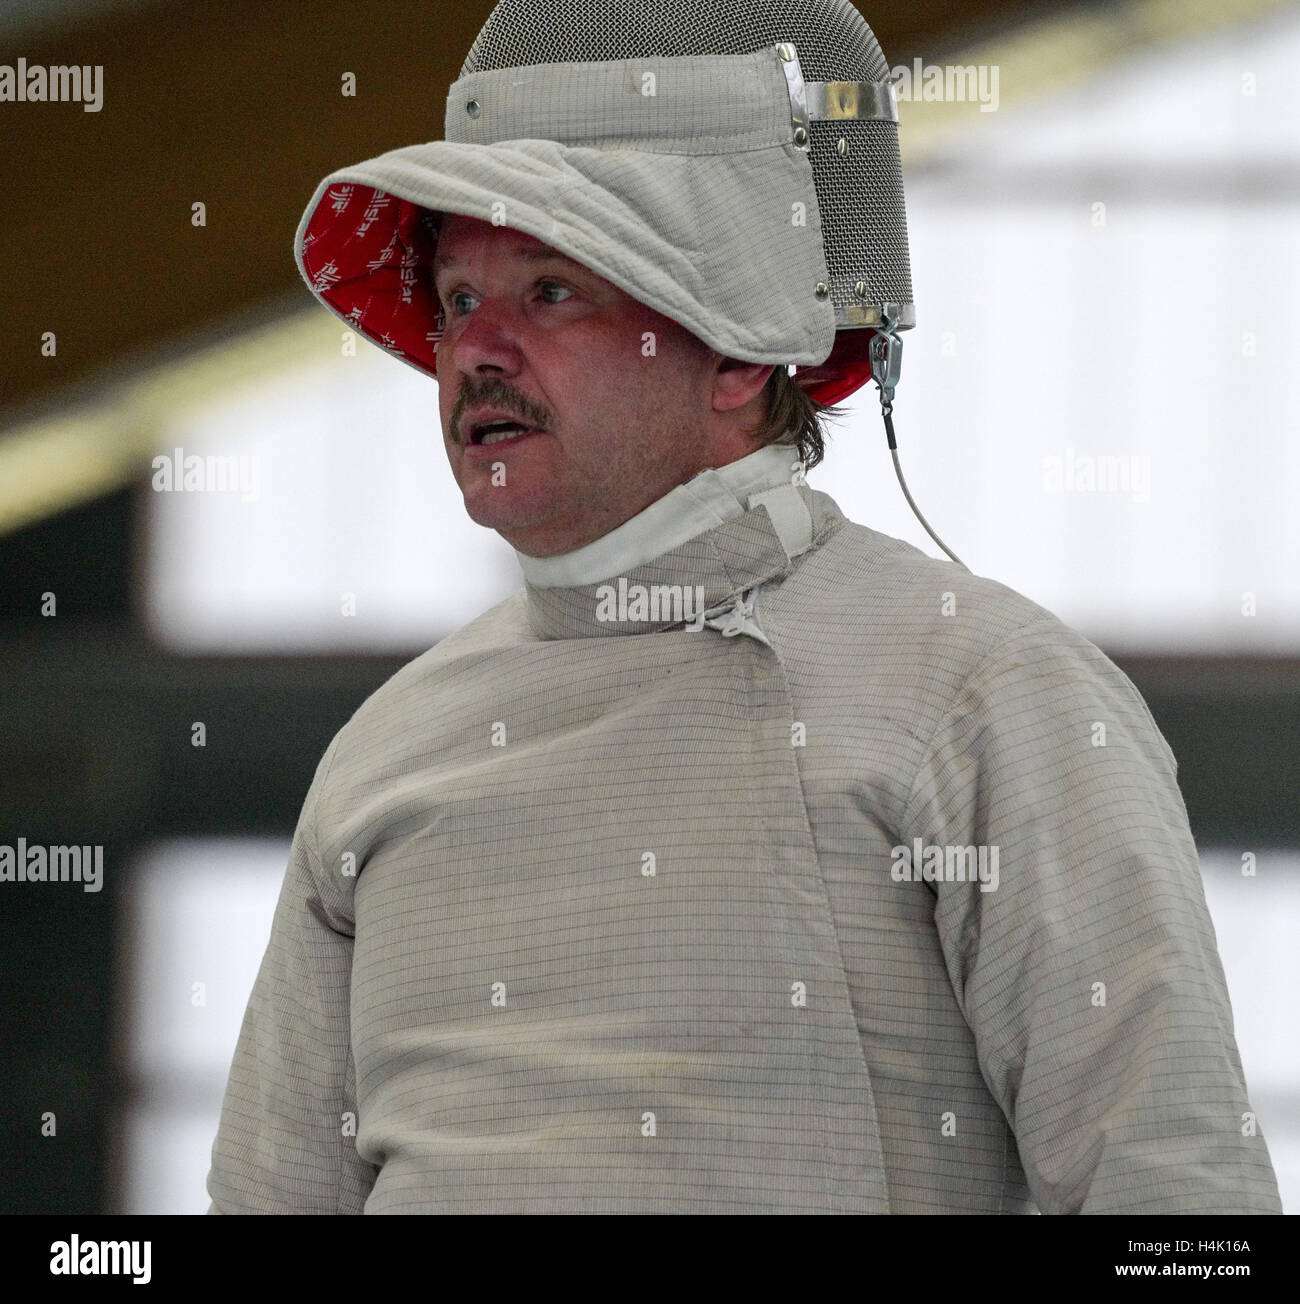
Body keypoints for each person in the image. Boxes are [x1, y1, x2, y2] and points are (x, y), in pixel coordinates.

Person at [206, 0, 1282, 1214]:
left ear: (735, 353)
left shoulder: (978, 689)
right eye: (456, 300)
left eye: (552, 291)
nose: (477, 352)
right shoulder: (384, 753)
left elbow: (1176, 1197)